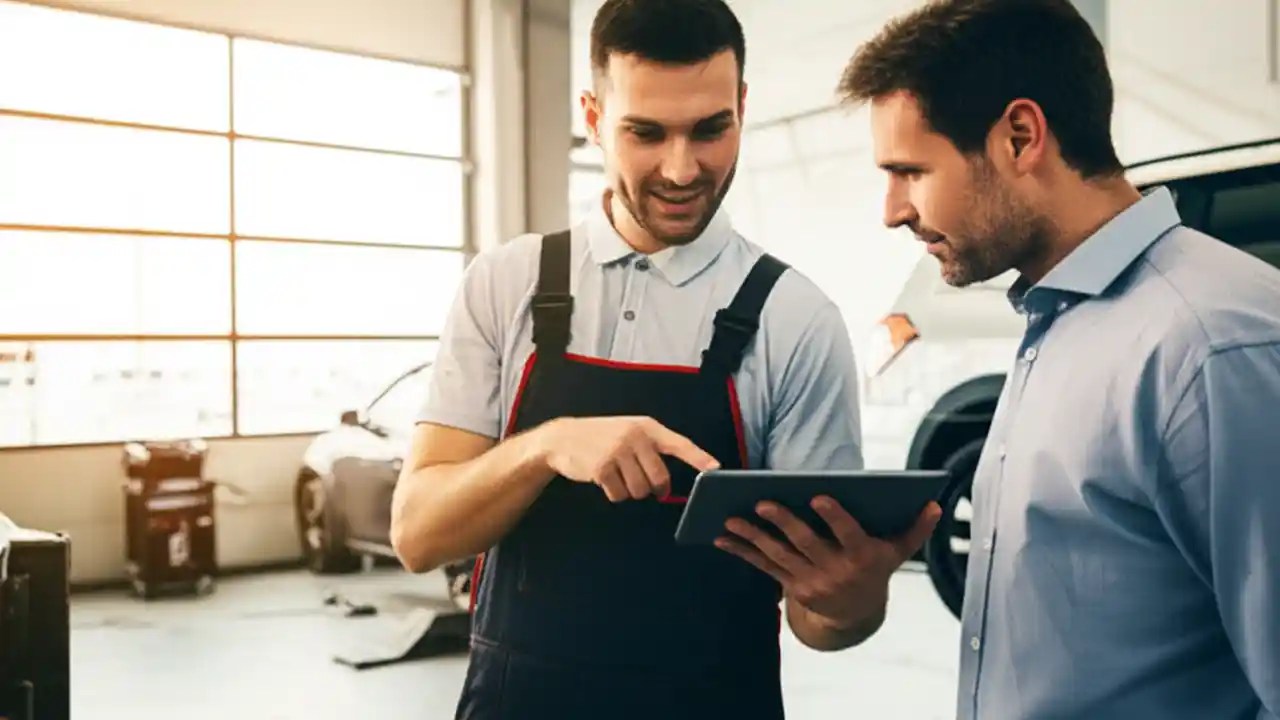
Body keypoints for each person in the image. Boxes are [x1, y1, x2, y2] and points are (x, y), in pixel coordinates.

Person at [389, 1, 940, 718]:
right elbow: (418, 534)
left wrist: (852, 604)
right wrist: (546, 447)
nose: (682, 170)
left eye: (711, 129)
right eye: (645, 133)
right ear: (592, 117)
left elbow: (820, 622)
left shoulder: (796, 322)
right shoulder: (505, 286)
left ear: (742, 108)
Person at [838, 0, 1280, 718]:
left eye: (910, 171)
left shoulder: (1212, 349)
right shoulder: (1058, 321)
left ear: (1020, 136)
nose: (892, 209)